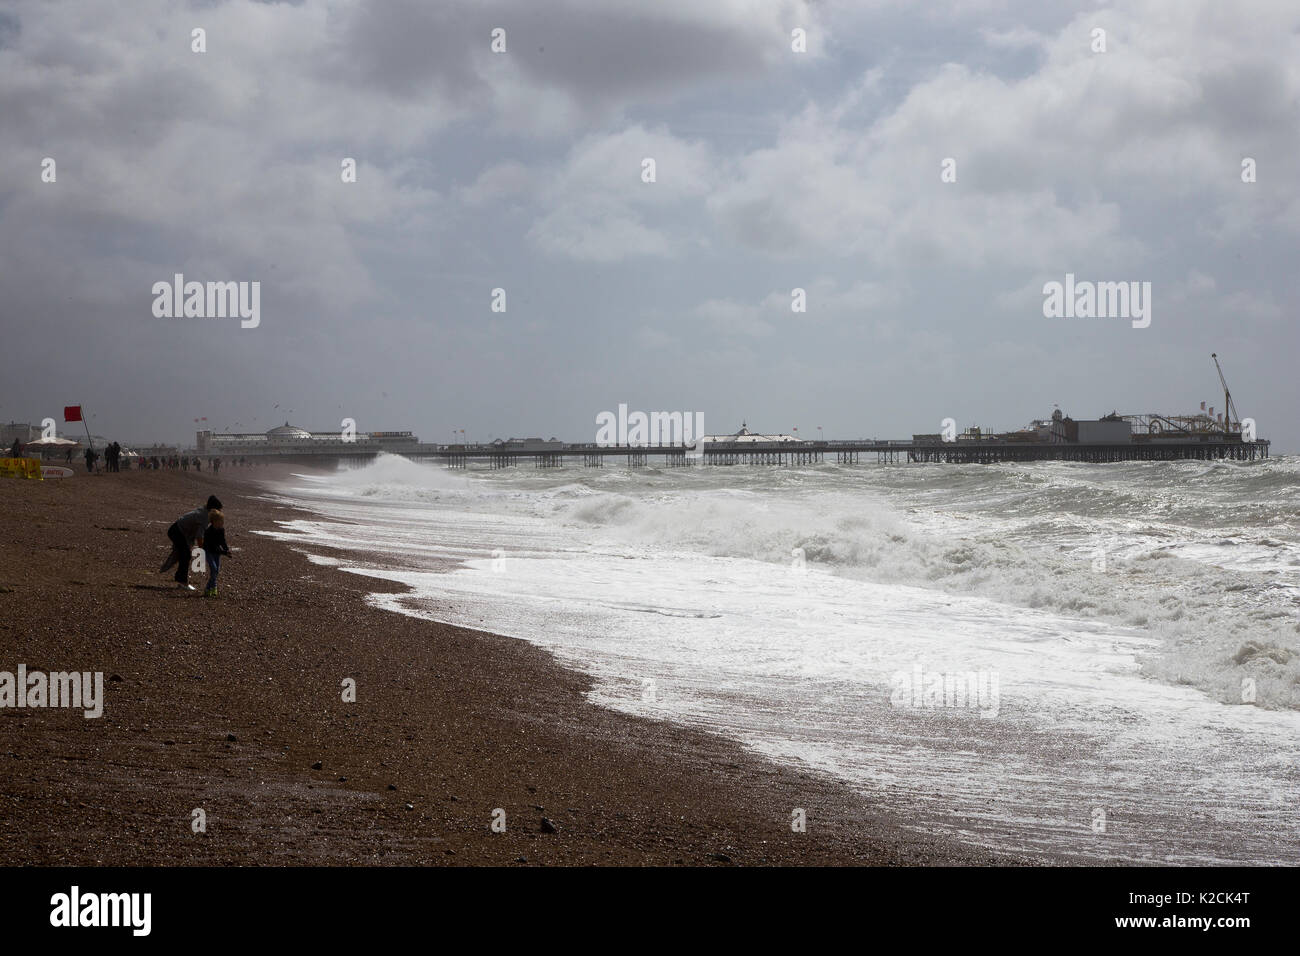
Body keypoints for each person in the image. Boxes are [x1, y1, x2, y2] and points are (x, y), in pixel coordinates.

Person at [160, 495, 222, 590]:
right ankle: (182, 582)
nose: (220, 512)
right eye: (219, 510)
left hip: (179, 531)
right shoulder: (205, 516)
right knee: (185, 555)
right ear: (213, 509)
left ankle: (179, 578)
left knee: (183, 554)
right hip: (176, 531)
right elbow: (199, 536)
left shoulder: (205, 511)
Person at [202, 510, 231, 598]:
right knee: (214, 569)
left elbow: (222, 541)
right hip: (208, 552)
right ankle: (211, 587)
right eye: (221, 521)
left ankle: (211, 587)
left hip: (217, 553)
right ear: (214, 521)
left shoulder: (221, 530)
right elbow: (212, 547)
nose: (222, 523)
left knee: (216, 571)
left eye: (223, 521)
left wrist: (227, 549)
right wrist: (224, 552)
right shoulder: (208, 531)